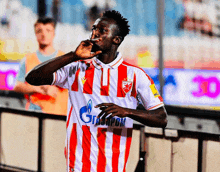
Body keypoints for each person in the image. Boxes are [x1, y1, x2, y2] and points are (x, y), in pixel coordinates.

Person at [25, 10, 167, 172]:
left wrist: (127, 112)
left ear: (116, 39)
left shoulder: (135, 75)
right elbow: (33, 78)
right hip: (77, 165)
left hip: (113, 167)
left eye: (102, 30)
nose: (95, 33)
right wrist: (73, 56)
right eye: (94, 28)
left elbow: (161, 118)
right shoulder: (77, 68)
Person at [13, 17, 68, 115]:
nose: (44, 34)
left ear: (54, 33)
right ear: (35, 34)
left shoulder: (65, 59)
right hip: (33, 115)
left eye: (48, 30)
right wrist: (38, 89)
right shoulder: (27, 59)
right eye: (39, 31)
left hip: (58, 116)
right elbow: (17, 86)